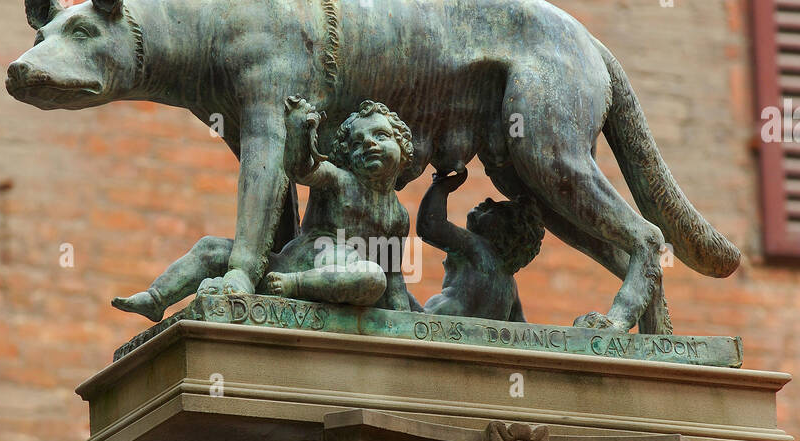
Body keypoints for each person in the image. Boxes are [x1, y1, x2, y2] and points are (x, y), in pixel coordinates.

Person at [112, 96, 414, 321]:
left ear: (402, 149)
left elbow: (393, 272)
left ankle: (291, 287)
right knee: (210, 249)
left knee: (376, 278)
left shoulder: (398, 217)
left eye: (381, 136)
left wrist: (406, 322)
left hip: (332, 275)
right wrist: (297, 131)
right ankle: (156, 298)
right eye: (358, 143)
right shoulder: (339, 180)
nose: (369, 145)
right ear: (348, 156)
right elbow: (301, 170)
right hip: (292, 263)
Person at [414, 167, 543, 321]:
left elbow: (430, 226)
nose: (488, 201)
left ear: (507, 234)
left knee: (387, 274)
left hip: (441, 321)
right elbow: (521, 329)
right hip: (472, 338)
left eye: (497, 210)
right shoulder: (510, 285)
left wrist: (441, 186)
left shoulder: (476, 246)